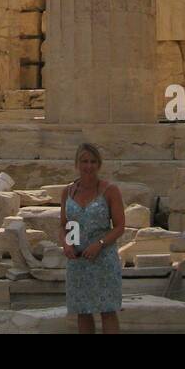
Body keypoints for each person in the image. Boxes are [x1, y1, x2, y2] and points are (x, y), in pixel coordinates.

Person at [59, 142, 125, 333]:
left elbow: (120, 226)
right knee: (83, 310)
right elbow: (63, 224)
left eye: (93, 161)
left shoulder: (110, 190)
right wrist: (66, 243)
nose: (88, 166)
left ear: (99, 164)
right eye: (84, 161)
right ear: (77, 164)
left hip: (103, 258)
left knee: (108, 310)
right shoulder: (67, 192)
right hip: (78, 259)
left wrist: (99, 244)